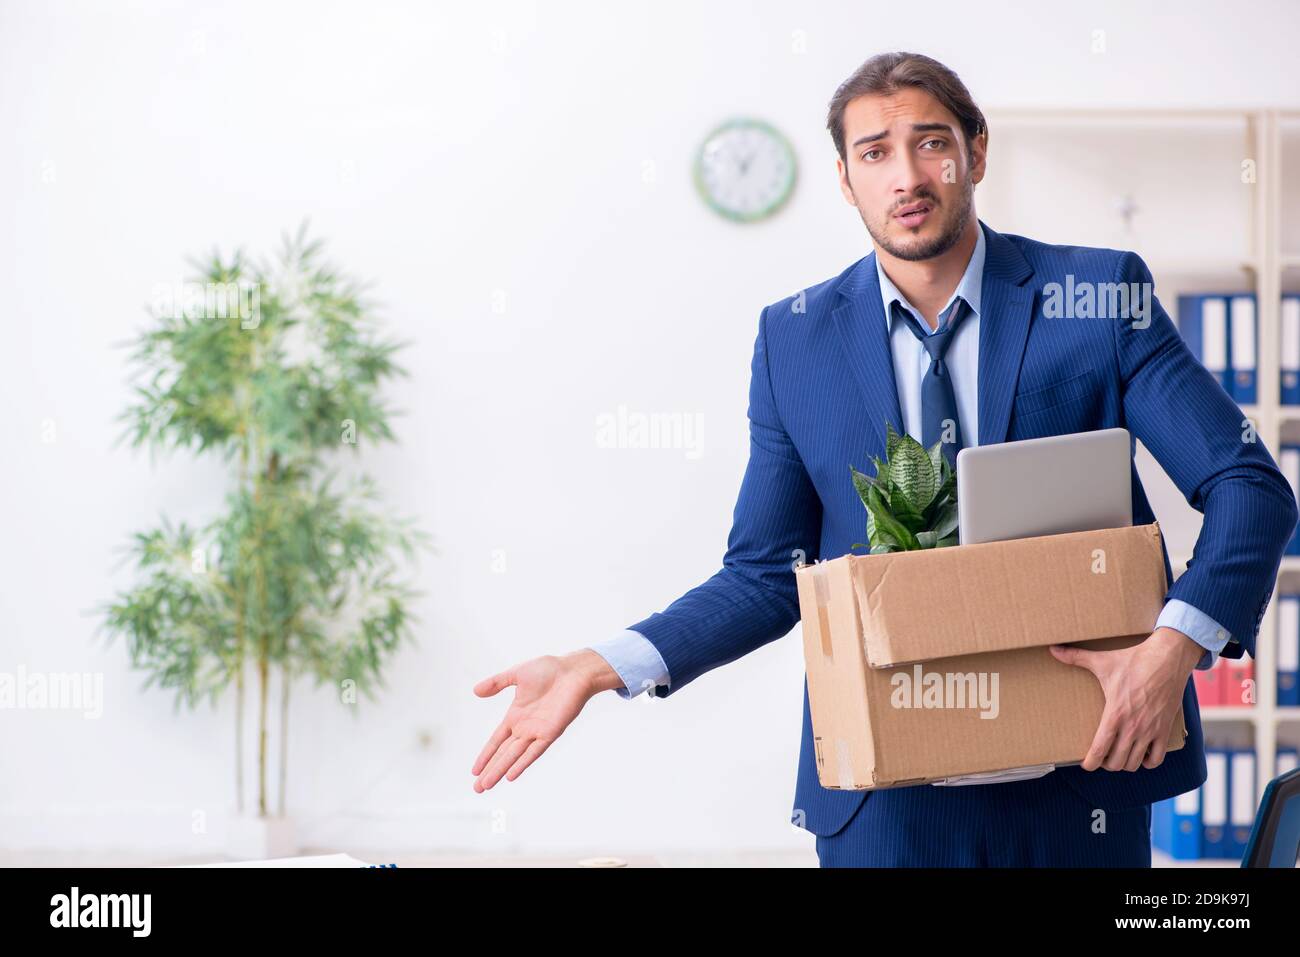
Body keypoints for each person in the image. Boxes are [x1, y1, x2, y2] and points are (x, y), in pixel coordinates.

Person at [471, 51, 1299, 866]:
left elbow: (1249, 488)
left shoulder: (1095, 298)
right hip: (886, 800)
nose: (906, 175)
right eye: (874, 153)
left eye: (930, 142)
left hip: (1079, 772)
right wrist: (601, 664)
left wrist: (1171, 648)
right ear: (846, 179)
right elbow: (766, 571)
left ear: (976, 151)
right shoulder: (795, 339)